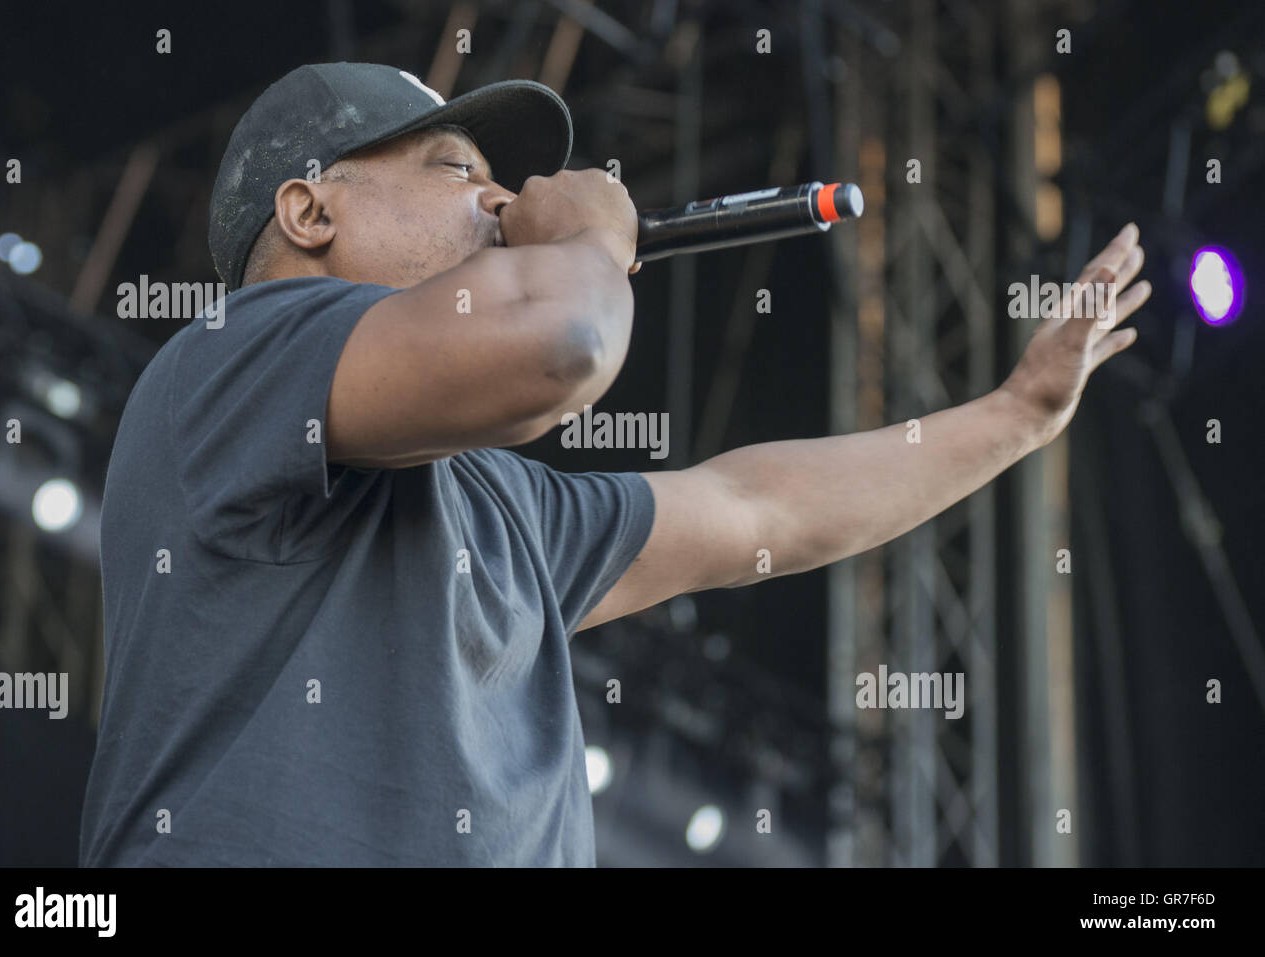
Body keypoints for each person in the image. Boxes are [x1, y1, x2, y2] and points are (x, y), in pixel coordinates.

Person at [78, 62, 1150, 866]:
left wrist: (1015, 416)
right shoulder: (234, 361)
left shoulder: (492, 503)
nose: (501, 202)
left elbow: (751, 505)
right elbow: (559, 343)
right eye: (456, 169)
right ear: (309, 210)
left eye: (503, 183)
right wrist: (588, 240)